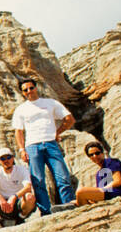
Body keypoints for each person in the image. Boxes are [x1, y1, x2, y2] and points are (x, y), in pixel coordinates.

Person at [11, 77, 76, 215]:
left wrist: (57, 132)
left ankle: (69, 205)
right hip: (32, 146)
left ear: (36, 87)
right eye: (25, 90)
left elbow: (69, 119)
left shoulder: (50, 103)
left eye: (31, 88)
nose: (29, 91)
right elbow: (18, 131)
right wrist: (22, 149)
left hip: (50, 143)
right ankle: (45, 211)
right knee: (38, 181)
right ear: (22, 93)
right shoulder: (21, 109)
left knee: (62, 176)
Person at [0, 147, 35, 225]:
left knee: (30, 197)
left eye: (8, 157)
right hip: (3, 205)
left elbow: (28, 187)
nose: (6, 160)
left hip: (19, 203)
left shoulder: (22, 169)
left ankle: (21, 217)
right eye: (2, 158)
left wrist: (14, 197)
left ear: (13, 158)